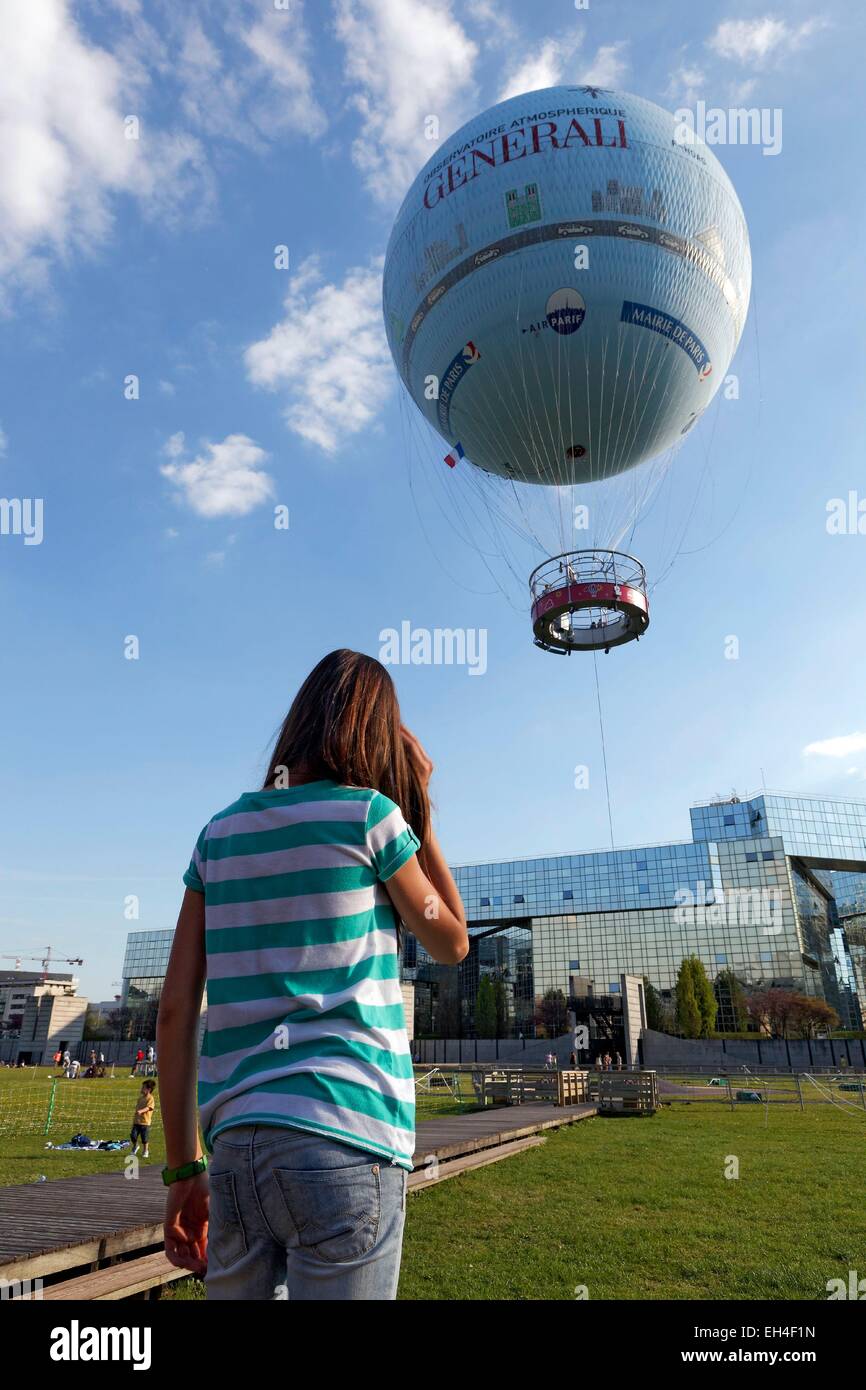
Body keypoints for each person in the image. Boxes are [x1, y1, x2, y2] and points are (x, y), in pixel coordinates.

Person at [157, 649, 469, 1301]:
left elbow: (176, 1013)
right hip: (349, 1135)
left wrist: (184, 1169)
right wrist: (422, 809)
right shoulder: (372, 816)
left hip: (238, 1150)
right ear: (380, 735)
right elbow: (450, 940)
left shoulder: (217, 835)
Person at [131, 1079, 157, 1159]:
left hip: (145, 1122)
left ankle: (145, 1151)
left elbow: (149, 1108)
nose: (141, 1089)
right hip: (136, 1121)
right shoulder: (140, 1098)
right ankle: (136, 1146)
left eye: (143, 1087)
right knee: (133, 1135)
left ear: (149, 1089)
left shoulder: (150, 1098)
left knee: (144, 1138)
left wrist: (141, 1111)